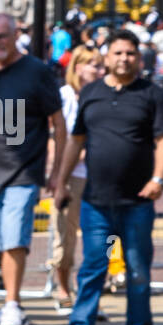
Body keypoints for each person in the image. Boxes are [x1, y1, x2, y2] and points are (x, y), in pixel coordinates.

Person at [47, 29, 163, 325]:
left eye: (130, 53)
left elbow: (161, 140)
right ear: (107, 56)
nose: (124, 59)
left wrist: (158, 178)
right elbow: (76, 141)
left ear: (138, 57)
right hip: (95, 200)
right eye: (117, 53)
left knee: (138, 269)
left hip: (138, 200)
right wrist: (60, 182)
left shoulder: (153, 94)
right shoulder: (90, 93)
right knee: (92, 267)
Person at [0, 13, 65, 325]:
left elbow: (58, 123)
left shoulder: (37, 72)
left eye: (1, 37)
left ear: (16, 35)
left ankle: (13, 304)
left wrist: (56, 171)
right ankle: (6, 303)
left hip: (22, 173)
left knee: (14, 239)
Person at [48, 45, 106, 311]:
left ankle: (91, 294)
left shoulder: (102, 95)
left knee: (99, 238)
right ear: (79, 67)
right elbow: (56, 135)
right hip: (71, 175)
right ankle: (62, 286)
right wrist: (57, 173)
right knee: (65, 234)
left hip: (100, 175)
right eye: (94, 64)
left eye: (100, 65)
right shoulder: (64, 96)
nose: (99, 70)